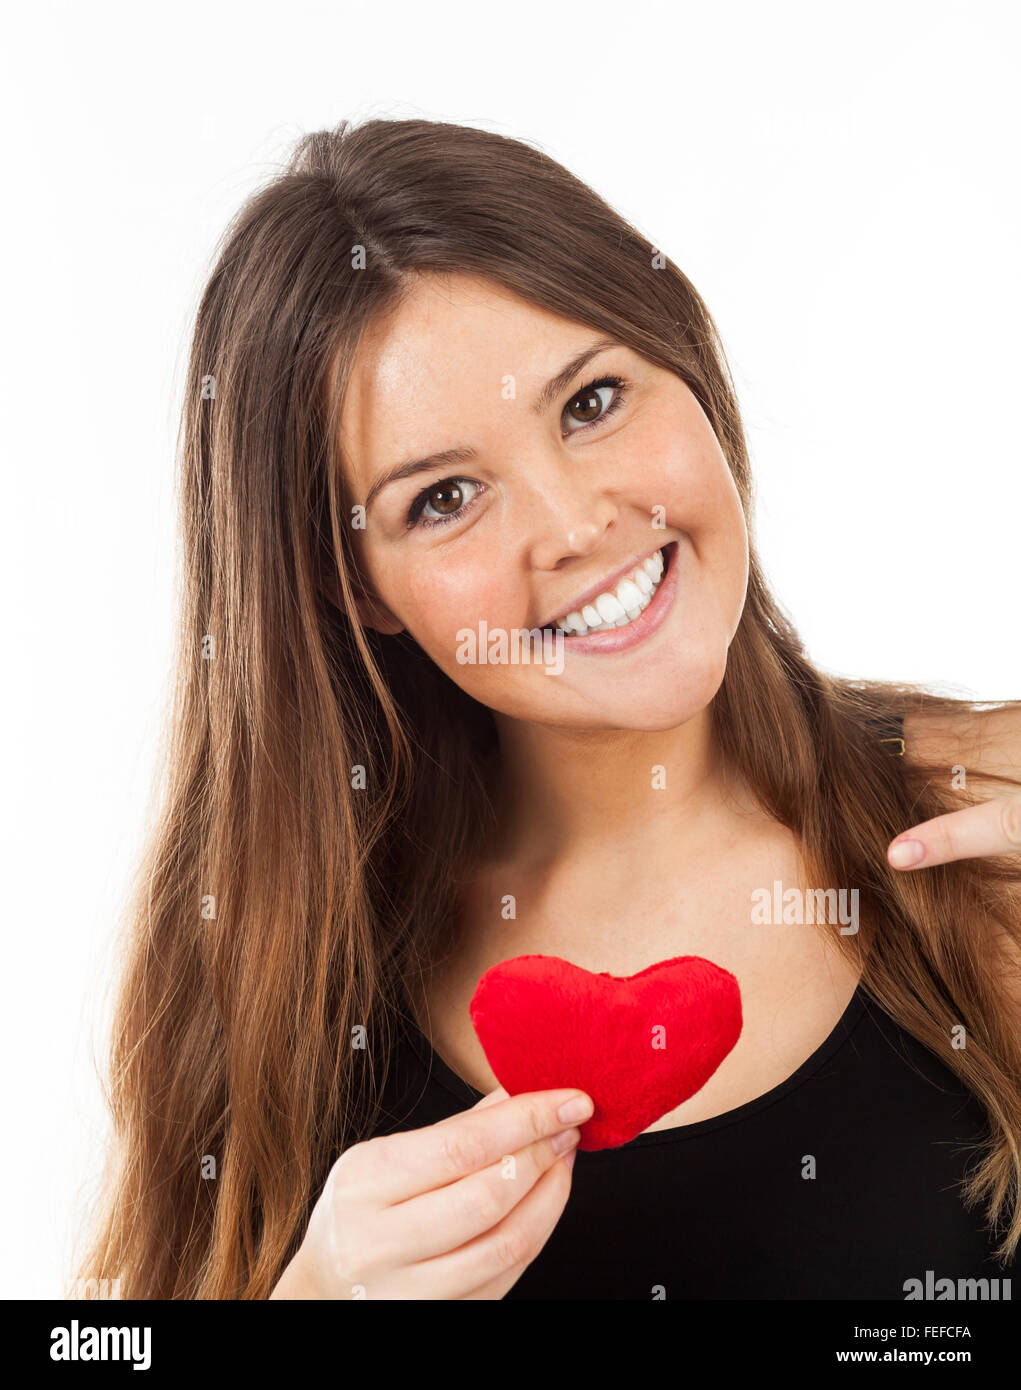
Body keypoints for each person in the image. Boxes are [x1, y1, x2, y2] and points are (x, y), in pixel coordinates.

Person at [75, 118, 1021, 1301]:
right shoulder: (270, 971)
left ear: (687, 361)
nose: (573, 526)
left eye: (591, 401)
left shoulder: (993, 826)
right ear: (353, 586)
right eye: (445, 496)